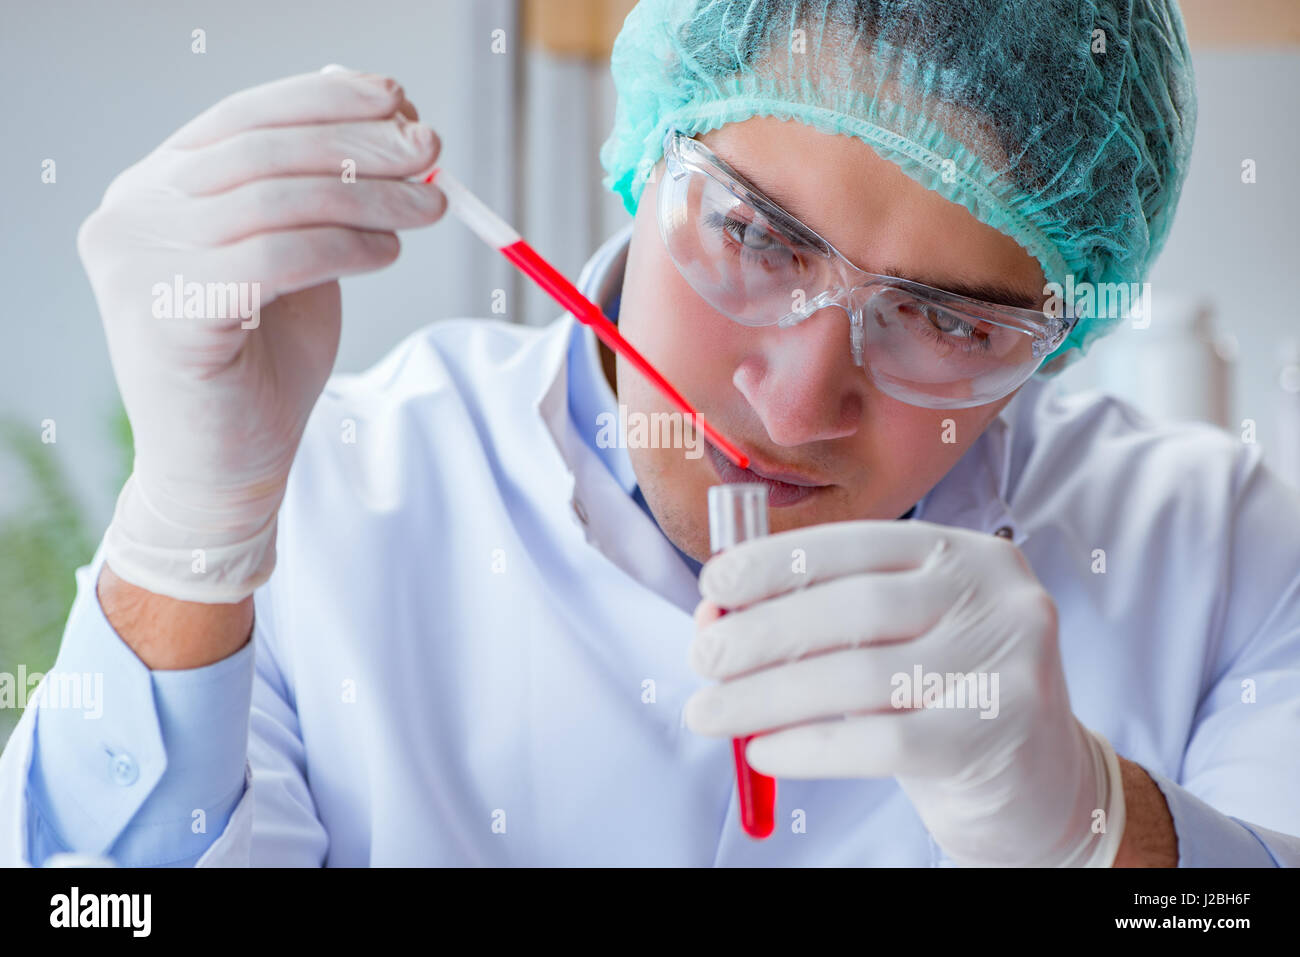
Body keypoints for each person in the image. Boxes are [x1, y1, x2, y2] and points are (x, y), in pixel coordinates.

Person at [2, 0, 1297, 867]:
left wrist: (1095, 826)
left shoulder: (1219, 557)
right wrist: (187, 541)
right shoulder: (330, 505)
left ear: (1063, 332)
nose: (798, 403)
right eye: (755, 234)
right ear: (649, 162)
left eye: (950, 324)